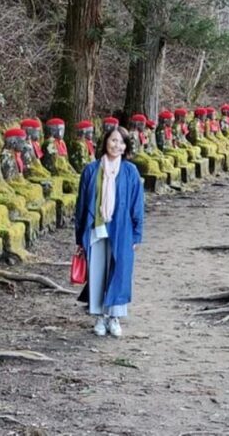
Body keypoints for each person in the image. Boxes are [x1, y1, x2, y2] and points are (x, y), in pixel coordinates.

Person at [74, 126, 145, 338]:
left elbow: (137, 204)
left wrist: (136, 234)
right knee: (97, 272)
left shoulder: (130, 171)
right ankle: (99, 317)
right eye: (113, 141)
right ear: (105, 142)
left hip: (121, 229)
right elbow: (81, 205)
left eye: (121, 142)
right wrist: (79, 237)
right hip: (96, 227)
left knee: (119, 272)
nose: (117, 146)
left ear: (126, 147)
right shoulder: (91, 170)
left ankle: (114, 317)